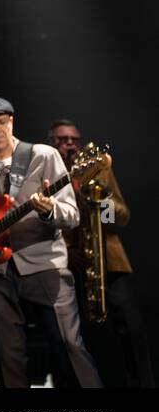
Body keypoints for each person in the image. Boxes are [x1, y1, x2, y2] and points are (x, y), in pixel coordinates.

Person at [0, 98, 102, 387]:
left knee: (70, 348)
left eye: (3, 121)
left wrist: (48, 210)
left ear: (12, 121)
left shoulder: (43, 155)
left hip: (44, 264)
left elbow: (72, 215)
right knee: (5, 357)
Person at [48, 118, 153, 387]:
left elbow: (122, 216)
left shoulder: (98, 169)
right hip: (68, 266)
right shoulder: (46, 172)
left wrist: (99, 201)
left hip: (110, 263)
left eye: (74, 139)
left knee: (132, 332)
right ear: (51, 143)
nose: (70, 144)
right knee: (80, 340)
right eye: (62, 139)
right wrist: (67, 251)